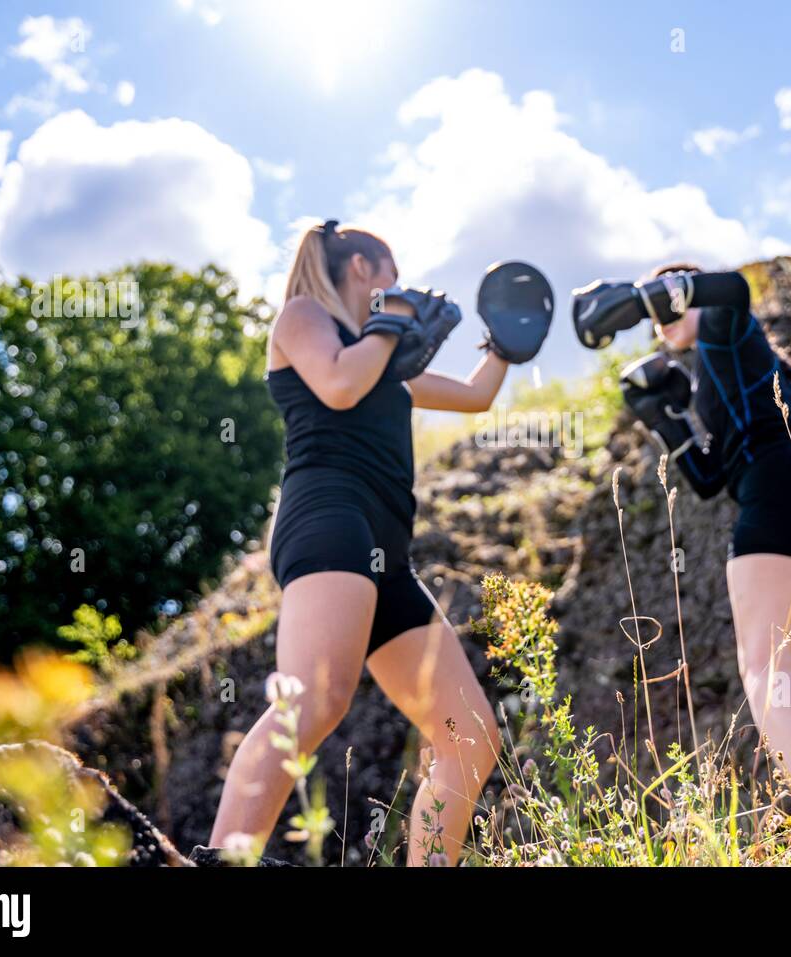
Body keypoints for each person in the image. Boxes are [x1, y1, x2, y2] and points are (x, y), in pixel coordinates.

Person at [206, 220, 547, 866]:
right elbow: (338, 383)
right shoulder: (305, 319)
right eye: (390, 277)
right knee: (312, 699)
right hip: (328, 519)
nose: (399, 290)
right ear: (362, 266)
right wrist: (390, 322)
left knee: (469, 738)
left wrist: (505, 340)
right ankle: (224, 856)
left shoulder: (380, 353)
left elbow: (474, 396)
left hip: (388, 555)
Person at [573, 265, 791, 847]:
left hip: (780, 487)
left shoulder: (726, 327)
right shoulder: (715, 365)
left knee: (765, 670)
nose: (660, 321)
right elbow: (707, 479)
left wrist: (636, 296)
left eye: (671, 298)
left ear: (690, 293)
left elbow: (731, 290)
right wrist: (664, 416)